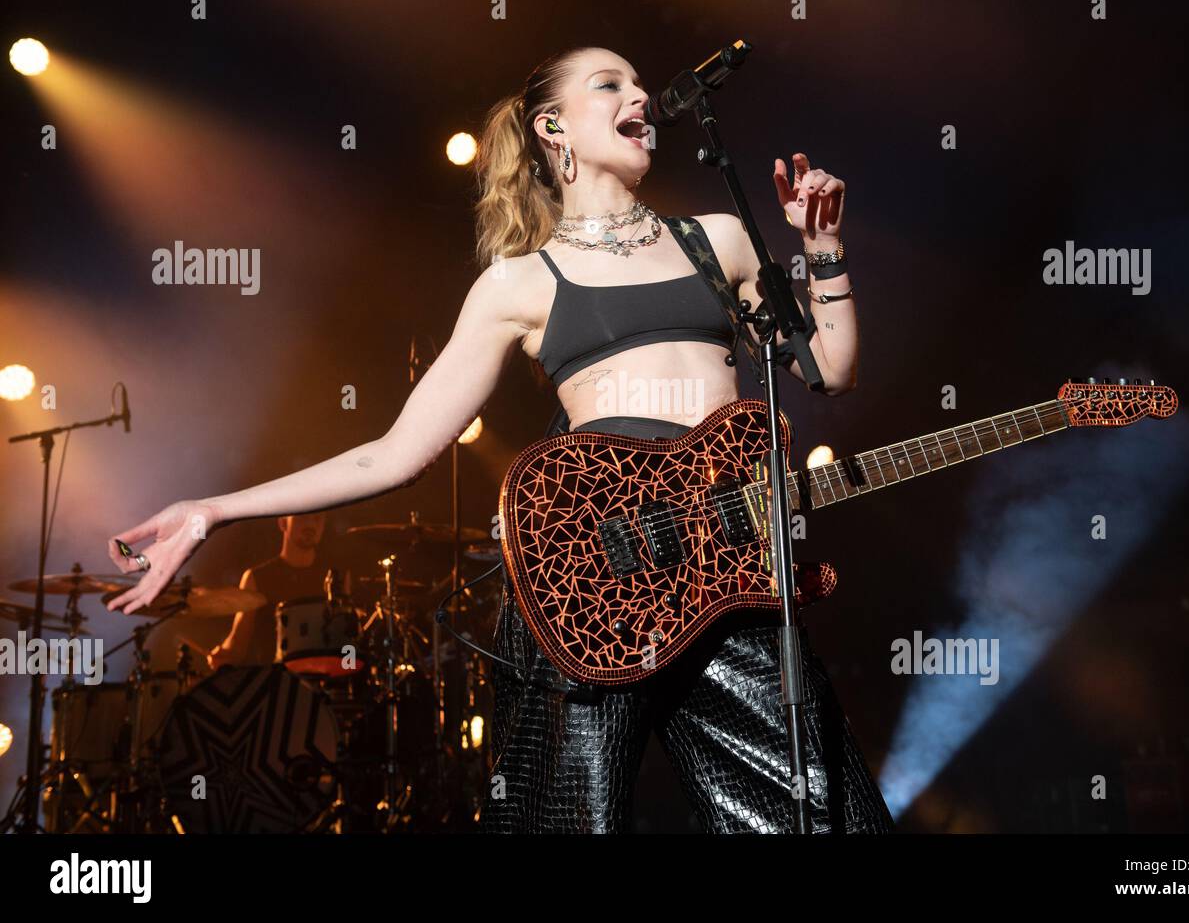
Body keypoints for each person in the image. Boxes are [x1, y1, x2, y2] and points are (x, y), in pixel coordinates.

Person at [107, 45, 892, 833]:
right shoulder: (520, 283)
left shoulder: (716, 238)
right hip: (590, 585)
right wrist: (212, 509)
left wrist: (821, 250)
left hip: (729, 576)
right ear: (554, 126)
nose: (643, 97)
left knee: (826, 819)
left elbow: (828, 370)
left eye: (643, 84)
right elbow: (395, 453)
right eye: (611, 84)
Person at [207, 512, 330, 668]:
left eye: (317, 519)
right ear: (283, 523)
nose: (311, 524)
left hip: (324, 682)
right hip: (273, 683)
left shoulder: (334, 577)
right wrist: (223, 654)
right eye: (302, 517)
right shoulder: (256, 578)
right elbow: (238, 645)